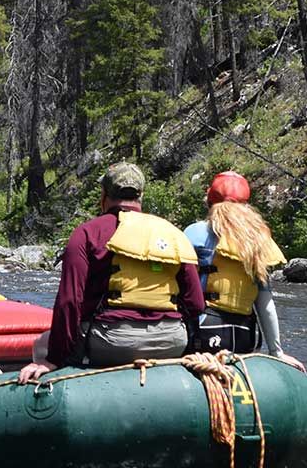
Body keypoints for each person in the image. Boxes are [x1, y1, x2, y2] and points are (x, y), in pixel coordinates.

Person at [19, 163, 205, 382]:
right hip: (172, 341)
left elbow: (69, 302)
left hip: (113, 341)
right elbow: (196, 304)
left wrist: (54, 358)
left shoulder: (88, 233)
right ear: (141, 195)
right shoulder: (172, 233)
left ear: (103, 196)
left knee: (42, 344)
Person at [185, 172, 304, 370]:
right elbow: (265, 304)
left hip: (201, 336)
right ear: (246, 205)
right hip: (243, 338)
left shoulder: (195, 232)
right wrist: (277, 352)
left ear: (209, 201)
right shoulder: (257, 241)